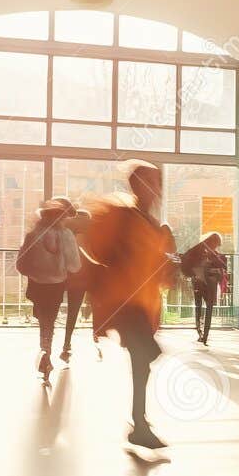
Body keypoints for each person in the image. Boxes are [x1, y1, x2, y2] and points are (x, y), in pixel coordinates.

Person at [83, 162, 175, 450]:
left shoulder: (152, 223)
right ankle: (139, 422)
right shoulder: (122, 216)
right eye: (149, 182)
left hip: (143, 302)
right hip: (123, 302)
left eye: (157, 182)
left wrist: (167, 269)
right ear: (136, 186)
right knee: (146, 353)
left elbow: (155, 266)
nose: (155, 188)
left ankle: (139, 422)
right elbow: (95, 245)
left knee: (142, 360)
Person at [19, 200, 81, 382]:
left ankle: (44, 352)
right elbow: (74, 265)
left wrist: (34, 272)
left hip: (37, 285)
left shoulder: (32, 235)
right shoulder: (67, 235)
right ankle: (46, 354)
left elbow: (21, 264)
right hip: (56, 285)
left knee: (43, 320)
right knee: (50, 321)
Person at [50, 197, 92, 362]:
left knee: (52, 309)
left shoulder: (64, 228)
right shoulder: (88, 231)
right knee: (73, 312)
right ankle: (66, 345)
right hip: (80, 278)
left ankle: (47, 342)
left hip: (60, 275)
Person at [180, 232, 229, 346]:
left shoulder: (203, 253)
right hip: (207, 286)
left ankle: (202, 334)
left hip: (198, 284)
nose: (216, 246)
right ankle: (203, 334)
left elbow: (223, 265)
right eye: (216, 244)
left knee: (200, 308)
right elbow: (222, 267)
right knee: (206, 309)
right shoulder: (209, 254)